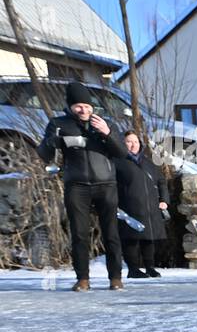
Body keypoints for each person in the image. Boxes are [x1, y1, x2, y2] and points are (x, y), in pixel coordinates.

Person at [36, 81, 130, 291]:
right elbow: (44, 154)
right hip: (76, 185)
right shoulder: (59, 123)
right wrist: (52, 141)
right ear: (70, 106)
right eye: (78, 106)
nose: (84, 110)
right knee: (79, 234)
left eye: (87, 106)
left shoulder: (105, 123)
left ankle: (115, 278)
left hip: (106, 184)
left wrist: (107, 133)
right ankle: (83, 279)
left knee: (112, 233)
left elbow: (122, 154)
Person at [114, 131, 169, 279]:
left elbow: (161, 182)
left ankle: (150, 267)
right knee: (130, 238)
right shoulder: (117, 162)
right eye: (129, 142)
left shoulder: (148, 163)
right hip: (127, 206)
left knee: (148, 238)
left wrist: (164, 200)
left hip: (150, 207)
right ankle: (133, 269)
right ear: (123, 144)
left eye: (136, 142)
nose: (133, 145)